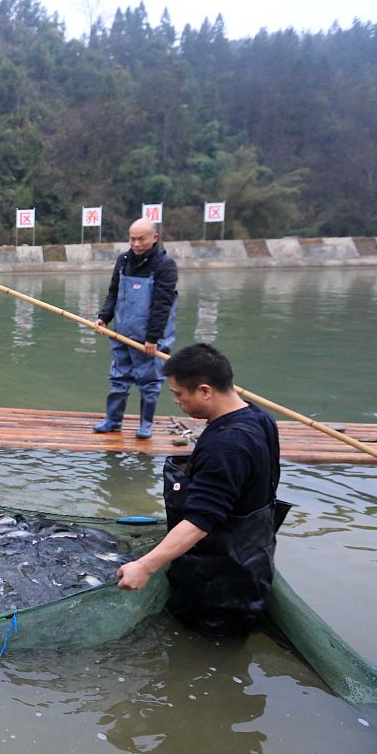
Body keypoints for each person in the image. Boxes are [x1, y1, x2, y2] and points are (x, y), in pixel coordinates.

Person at [116, 344, 286, 637]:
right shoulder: (260, 417)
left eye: (179, 394)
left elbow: (201, 520)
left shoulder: (227, 445)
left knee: (208, 643)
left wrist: (145, 566)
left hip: (219, 587)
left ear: (206, 391)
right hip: (253, 562)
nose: (177, 402)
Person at [93, 217, 178, 439]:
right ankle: (112, 421)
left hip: (150, 339)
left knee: (149, 382)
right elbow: (113, 293)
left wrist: (153, 338)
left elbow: (162, 305)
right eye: (132, 239)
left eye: (141, 239)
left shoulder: (165, 265)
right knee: (118, 378)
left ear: (154, 238)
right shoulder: (123, 260)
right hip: (122, 332)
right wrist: (103, 318)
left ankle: (145, 425)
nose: (136, 244)